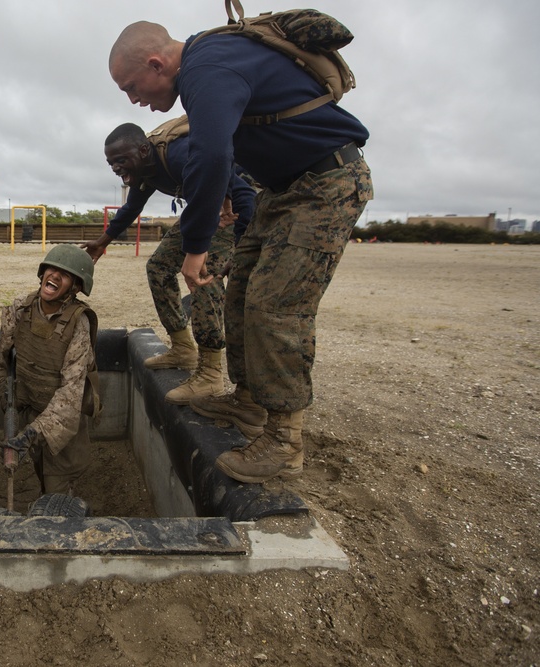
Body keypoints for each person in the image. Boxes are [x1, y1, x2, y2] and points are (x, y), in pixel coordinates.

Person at [109, 21, 373, 483]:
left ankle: (284, 442)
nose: (134, 99)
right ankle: (249, 402)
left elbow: (210, 156)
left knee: (275, 307)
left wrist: (195, 247)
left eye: (132, 86)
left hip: (325, 184)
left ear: (156, 64)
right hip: (282, 190)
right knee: (241, 295)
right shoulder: (206, 68)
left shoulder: (204, 67)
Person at [83, 120, 256, 405]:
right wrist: (103, 241)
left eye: (121, 160)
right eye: (111, 162)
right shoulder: (144, 171)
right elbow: (132, 207)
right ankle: (183, 347)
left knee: (203, 276)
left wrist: (241, 247)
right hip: (203, 207)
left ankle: (211, 373)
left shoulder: (179, 156)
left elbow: (245, 194)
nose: (115, 167)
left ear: (143, 150)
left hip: (232, 209)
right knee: (159, 266)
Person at [0, 245, 99, 496]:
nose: (55, 276)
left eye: (65, 274)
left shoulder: (78, 324)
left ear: (76, 287)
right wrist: (5, 398)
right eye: (52, 269)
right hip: (30, 409)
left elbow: (71, 393)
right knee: (39, 468)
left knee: (57, 485)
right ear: (42, 273)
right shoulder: (21, 309)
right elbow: (0, 358)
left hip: (62, 420)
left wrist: (31, 434)